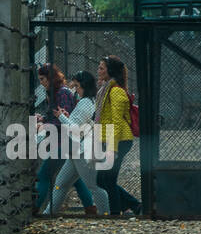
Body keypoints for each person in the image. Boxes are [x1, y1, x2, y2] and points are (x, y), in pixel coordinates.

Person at [43, 71, 110, 217]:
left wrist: (61, 116)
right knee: (61, 183)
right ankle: (48, 213)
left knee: (93, 186)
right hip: (77, 151)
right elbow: (77, 122)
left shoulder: (86, 102)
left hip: (81, 151)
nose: (76, 90)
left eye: (78, 86)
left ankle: (107, 214)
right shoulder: (89, 101)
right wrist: (66, 116)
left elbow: (74, 128)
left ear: (84, 86)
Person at [34, 64, 95, 214]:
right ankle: (90, 207)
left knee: (44, 175)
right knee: (76, 178)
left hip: (63, 142)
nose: (41, 82)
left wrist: (43, 124)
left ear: (50, 77)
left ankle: (34, 209)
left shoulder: (62, 93)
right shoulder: (55, 92)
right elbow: (56, 116)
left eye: (42, 79)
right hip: (64, 141)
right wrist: (43, 118)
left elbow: (65, 121)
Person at [94, 56, 141, 217]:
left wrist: (111, 149)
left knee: (108, 179)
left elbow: (115, 122)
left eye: (101, 68)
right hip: (111, 139)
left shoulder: (116, 92)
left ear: (110, 71)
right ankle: (134, 205)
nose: (98, 70)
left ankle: (116, 213)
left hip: (119, 141)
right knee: (102, 179)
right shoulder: (106, 89)